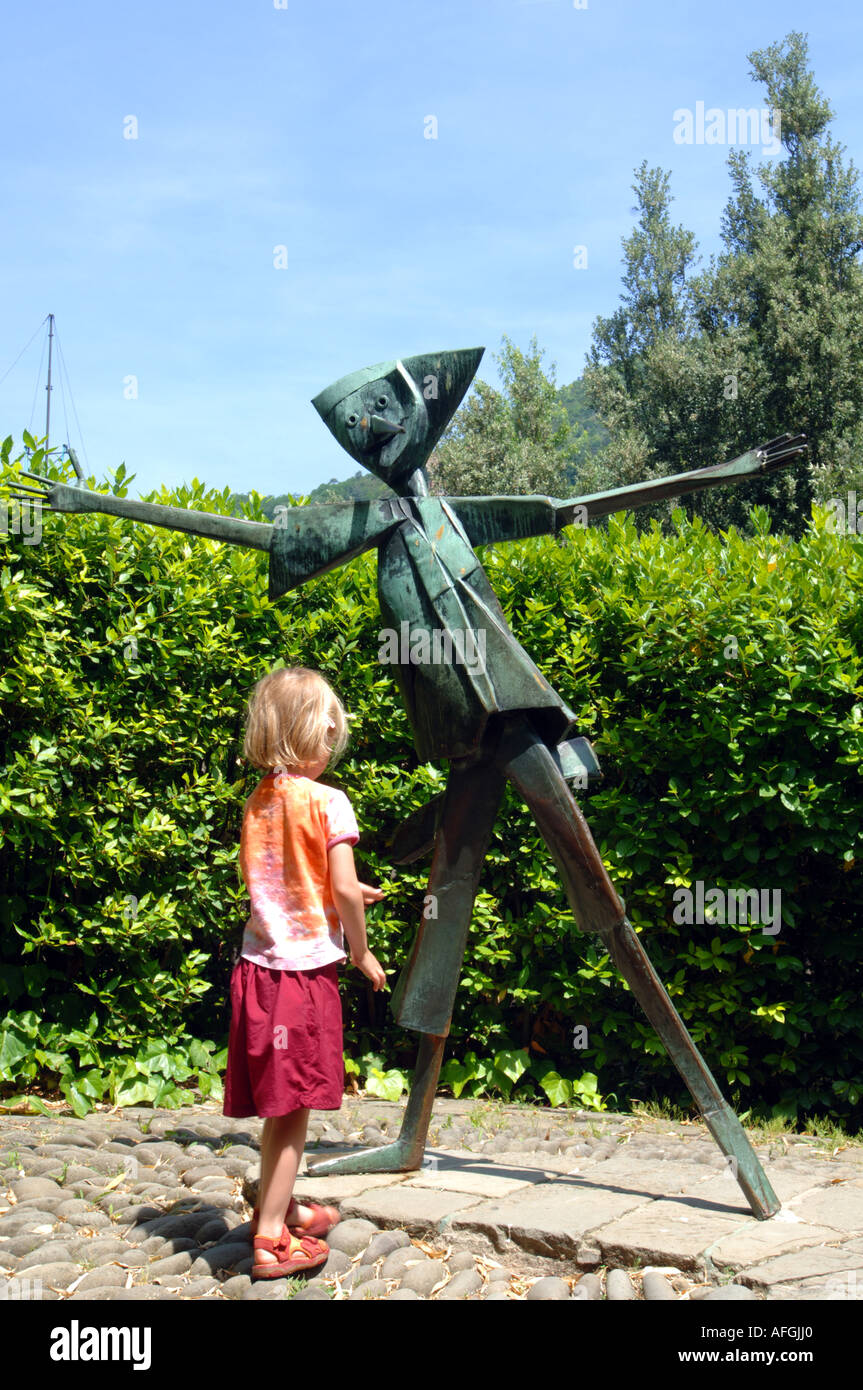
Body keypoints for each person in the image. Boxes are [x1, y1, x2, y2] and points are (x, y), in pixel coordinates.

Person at [223, 665, 387, 1277]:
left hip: (258, 972)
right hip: (301, 979)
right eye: (330, 729)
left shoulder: (259, 801)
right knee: (294, 1111)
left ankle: (283, 1206)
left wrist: (337, 890)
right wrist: (360, 948)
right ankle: (270, 1238)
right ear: (312, 735)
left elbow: (286, 878)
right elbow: (339, 887)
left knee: (278, 1103)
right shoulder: (329, 801)